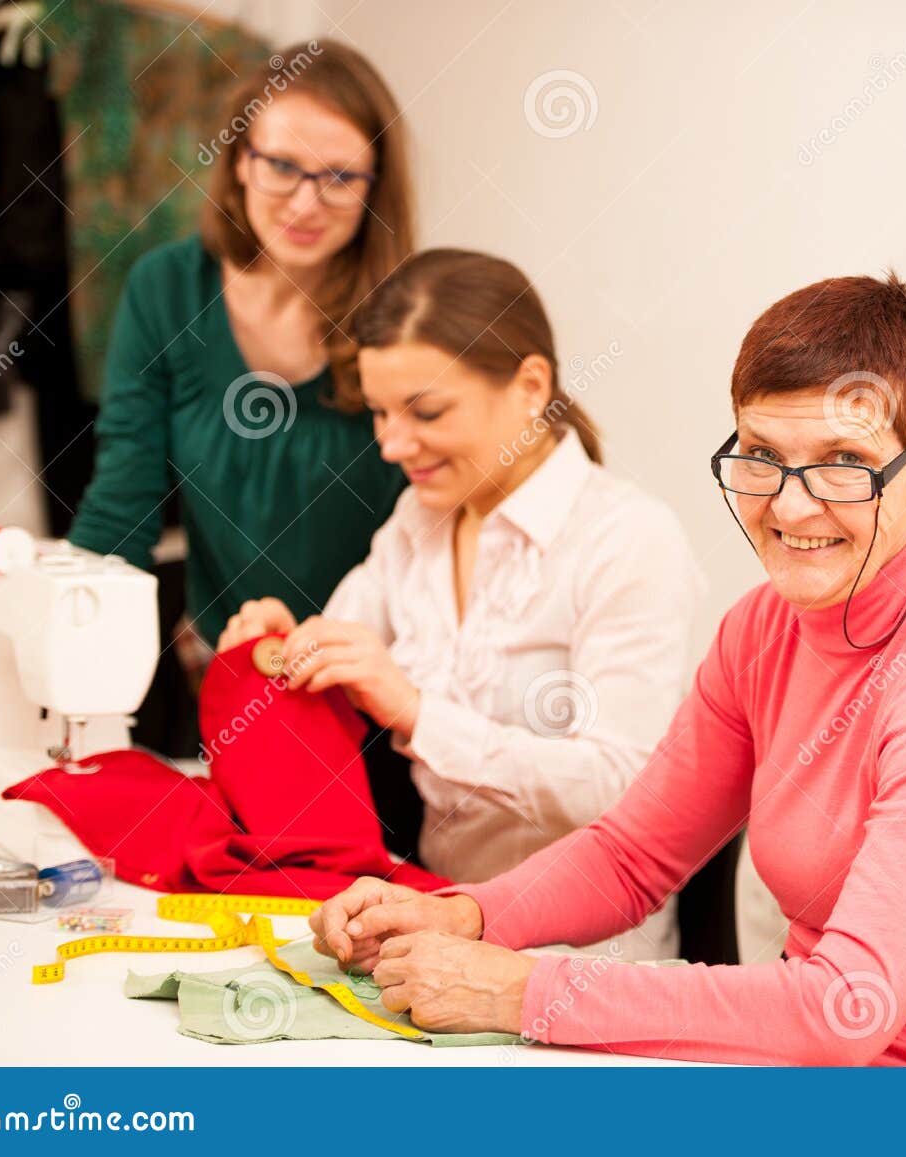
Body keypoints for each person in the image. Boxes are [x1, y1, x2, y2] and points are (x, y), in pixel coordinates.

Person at [307, 272, 906, 1066]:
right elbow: (632, 855)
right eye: (760, 455)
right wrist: (461, 916)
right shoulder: (762, 629)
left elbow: (842, 1008)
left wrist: (523, 990)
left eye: (843, 462)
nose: (790, 507)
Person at [219, 250, 702, 961]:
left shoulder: (627, 541)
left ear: (530, 385)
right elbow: (341, 644)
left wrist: (417, 712)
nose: (390, 444)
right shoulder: (419, 520)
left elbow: (624, 792)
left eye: (427, 411)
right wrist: (280, 644)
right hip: (427, 930)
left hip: (575, 964)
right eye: (380, 412)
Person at [68, 42, 414, 655]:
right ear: (239, 163)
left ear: (374, 188)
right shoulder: (169, 289)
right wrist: (76, 635)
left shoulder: (406, 315)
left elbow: (444, 531)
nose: (306, 204)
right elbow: (123, 498)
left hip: (381, 674)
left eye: (339, 177)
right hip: (234, 673)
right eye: (282, 165)